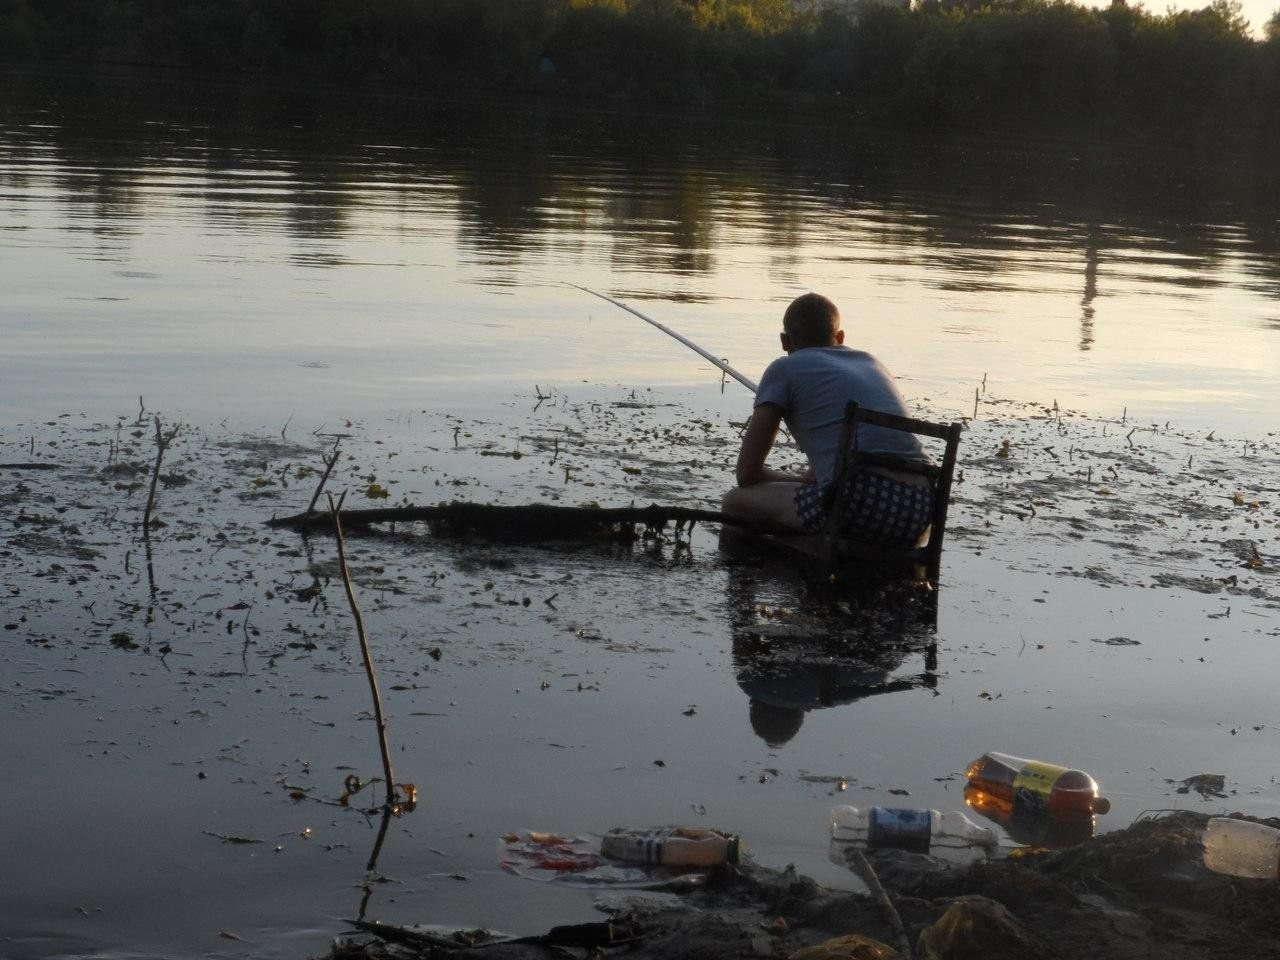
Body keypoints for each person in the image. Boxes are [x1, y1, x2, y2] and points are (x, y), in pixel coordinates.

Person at [722, 292, 932, 543]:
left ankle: (747, 575)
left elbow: (747, 474)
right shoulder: (872, 363)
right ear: (841, 337)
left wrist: (799, 480)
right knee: (825, 495)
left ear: (784, 341)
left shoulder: (783, 369)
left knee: (735, 501)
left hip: (854, 505)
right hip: (921, 508)